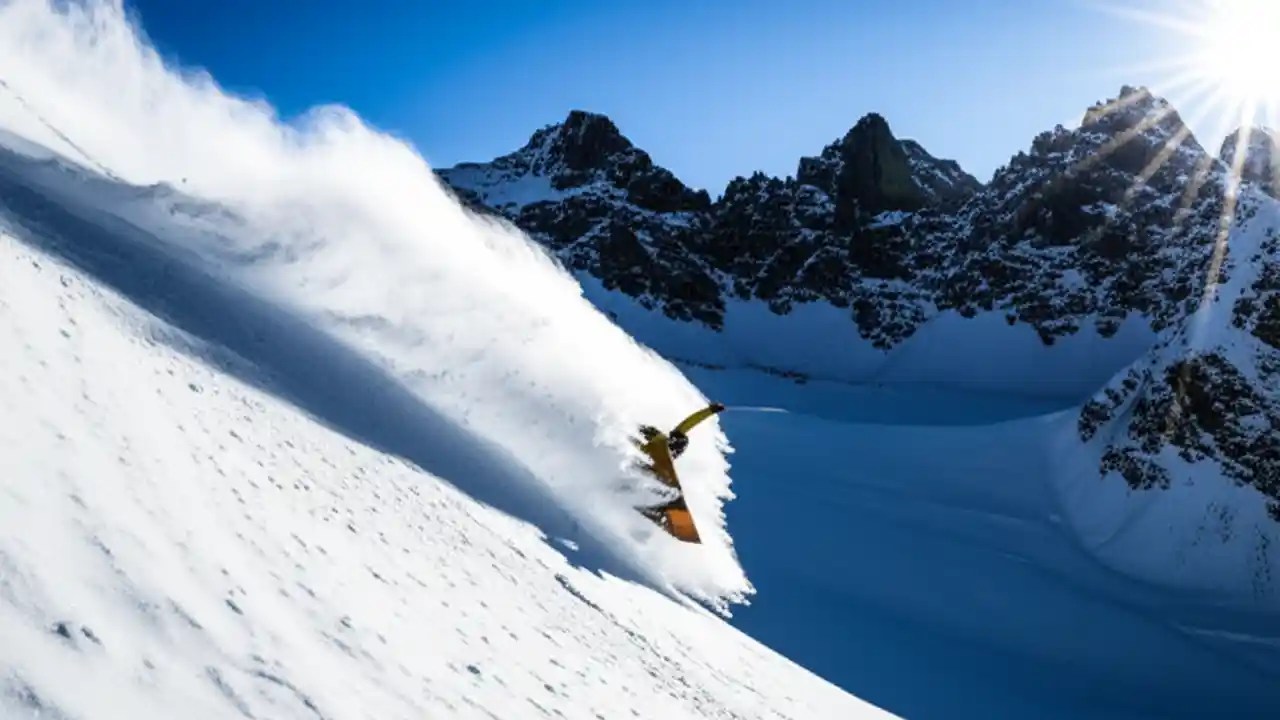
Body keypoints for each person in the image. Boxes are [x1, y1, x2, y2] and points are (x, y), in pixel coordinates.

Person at [631, 402, 726, 543]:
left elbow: (689, 424)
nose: (675, 453)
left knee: (655, 480)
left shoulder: (666, 455)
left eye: (676, 451)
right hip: (640, 458)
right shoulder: (660, 439)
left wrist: (710, 411)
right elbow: (689, 422)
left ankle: (657, 508)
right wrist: (710, 410)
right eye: (675, 449)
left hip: (649, 469)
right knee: (676, 439)